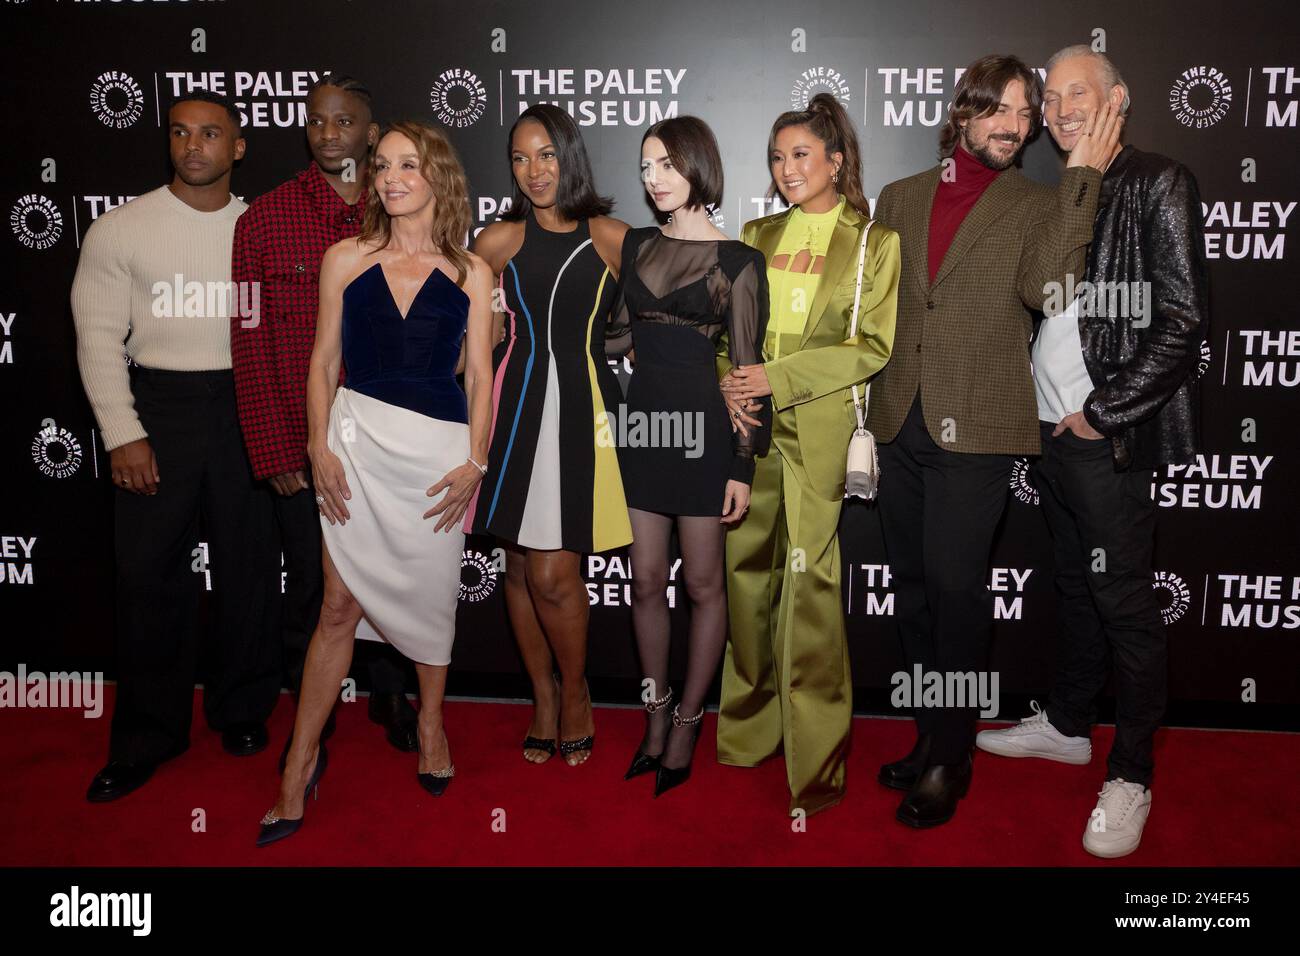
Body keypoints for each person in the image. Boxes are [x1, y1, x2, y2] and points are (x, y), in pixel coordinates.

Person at [867, 54, 1117, 828]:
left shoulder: (1039, 203)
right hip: (898, 419)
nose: (1013, 124)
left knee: (956, 592)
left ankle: (953, 755)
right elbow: (878, 309)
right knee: (909, 591)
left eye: (1024, 112)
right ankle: (928, 733)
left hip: (975, 427)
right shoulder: (901, 196)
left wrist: (1081, 179)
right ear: (964, 114)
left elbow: (1049, 291)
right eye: (998, 109)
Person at [976, 46, 1208, 859]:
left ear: (1120, 99)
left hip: (1103, 437)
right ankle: (1071, 725)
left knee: (1124, 607)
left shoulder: (1157, 182)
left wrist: (1101, 414)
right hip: (1045, 432)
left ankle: (1132, 774)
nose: (1062, 108)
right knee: (1075, 585)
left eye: (1081, 93)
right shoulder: (1057, 192)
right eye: (1051, 98)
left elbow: (1180, 323)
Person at [257, 121, 494, 846]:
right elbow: (323, 363)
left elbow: (481, 376)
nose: (390, 177)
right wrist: (317, 444)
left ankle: (429, 723)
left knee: (429, 600)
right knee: (335, 606)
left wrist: (476, 461)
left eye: (407, 165)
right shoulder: (343, 258)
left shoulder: (471, 271)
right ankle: (297, 765)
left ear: (437, 176)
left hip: (436, 456)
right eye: (382, 164)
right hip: (356, 446)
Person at [73, 91, 282, 802]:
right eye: (182, 132)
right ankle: (146, 736)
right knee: (147, 578)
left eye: (211, 133)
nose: (194, 146)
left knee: (249, 568)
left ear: (238, 146)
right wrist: (123, 432)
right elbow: (97, 337)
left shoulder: (261, 229)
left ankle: (244, 708)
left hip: (245, 405)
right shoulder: (120, 230)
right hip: (157, 408)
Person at [717, 93, 899, 817]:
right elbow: (724, 330)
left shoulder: (873, 241)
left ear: (835, 160)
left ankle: (817, 756)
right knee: (744, 579)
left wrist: (780, 377)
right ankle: (751, 732)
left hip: (817, 432)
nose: (787, 168)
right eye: (776, 156)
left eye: (800, 155)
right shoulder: (757, 232)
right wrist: (728, 387)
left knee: (811, 594)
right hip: (748, 428)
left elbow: (872, 346)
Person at [231, 73, 423, 756]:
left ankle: (392, 694)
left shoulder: (405, 211)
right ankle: (315, 714)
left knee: (394, 572)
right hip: (305, 440)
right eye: (317, 121)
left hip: (394, 440)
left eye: (344, 123)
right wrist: (276, 450)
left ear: (371, 135)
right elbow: (247, 340)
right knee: (313, 583)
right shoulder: (264, 220)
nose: (328, 133)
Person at [464, 104, 632, 767]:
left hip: (583, 411)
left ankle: (577, 692)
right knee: (515, 567)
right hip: (514, 406)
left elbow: (656, 323)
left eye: (546, 155)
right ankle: (541, 694)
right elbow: (470, 339)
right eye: (519, 158)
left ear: (569, 156)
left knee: (555, 574)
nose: (533, 170)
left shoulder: (612, 237)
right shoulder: (496, 242)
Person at [611, 116, 768, 796]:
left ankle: (689, 720)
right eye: (646, 167)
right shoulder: (639, 243)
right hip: (644, 430)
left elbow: (749, 368)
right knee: (646, 580)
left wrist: (743, 463)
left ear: (698, 166)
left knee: (704, 585)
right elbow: (613, 336)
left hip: (704, 435)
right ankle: (654, 710)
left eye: (667, 165)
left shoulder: (738, 262)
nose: (654, 179)